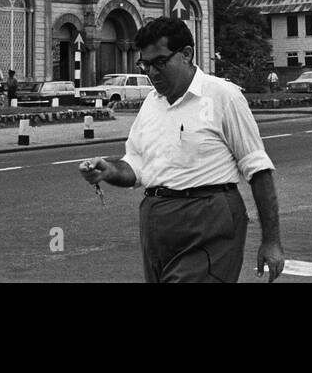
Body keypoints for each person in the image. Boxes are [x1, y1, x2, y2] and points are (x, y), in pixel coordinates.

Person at [79, 16, 285, 283]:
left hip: (207, 221)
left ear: (187, 54)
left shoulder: (223, 96)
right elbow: (137, 166)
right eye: (145, 64)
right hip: (157, 223)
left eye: (160, 62)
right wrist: (108, 170)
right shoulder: (151, 104)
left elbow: (258, 170)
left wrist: (271, 242)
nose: (152, 72)